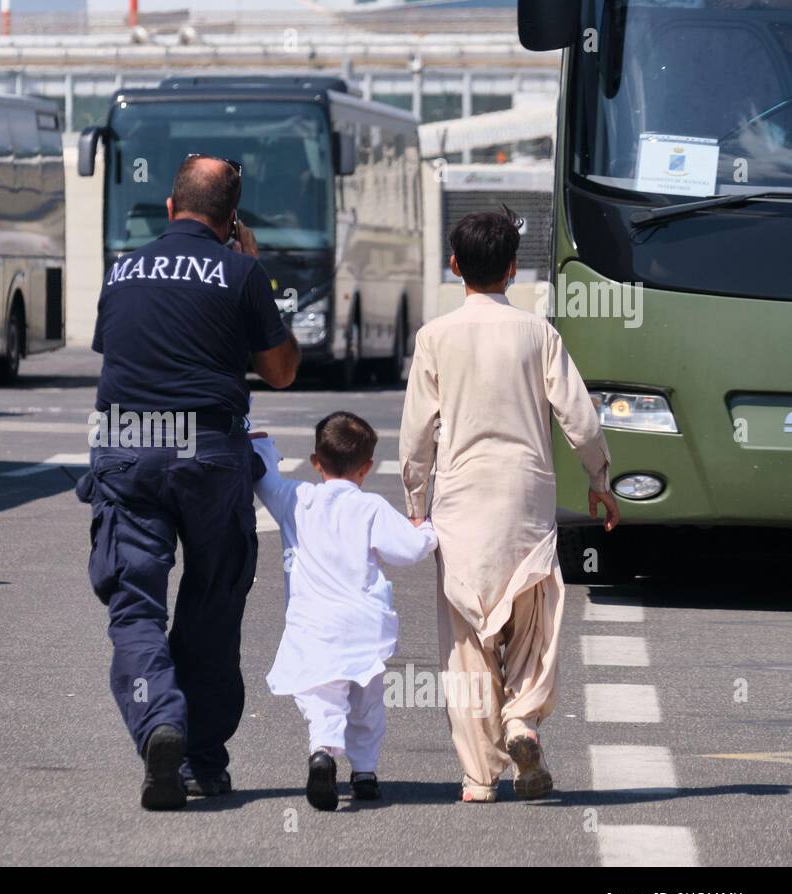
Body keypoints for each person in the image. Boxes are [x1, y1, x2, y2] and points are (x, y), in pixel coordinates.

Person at [78, 155, 300, 810]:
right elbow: (281, 371)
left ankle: (161, 725)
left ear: (171, 209)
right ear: (232, 222)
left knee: (134, 601)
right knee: (212, 598)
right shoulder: (240, 270)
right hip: (207, 452)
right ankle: (201, 755)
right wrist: (255, 270)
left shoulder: (122, 271)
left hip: (128, 450)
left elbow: (117, 350)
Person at [399, 208, 620, 803]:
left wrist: (416, 500)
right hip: (524, 495)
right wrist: (599, 478)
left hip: (461, 501)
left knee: (468, 637)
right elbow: (579, 417)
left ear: (454, 268)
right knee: (533, 621)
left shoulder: (434, 338)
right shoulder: (538, 334)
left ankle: (478, 776)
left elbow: (418, 432)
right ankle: (523, 719)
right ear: (513, 269)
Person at [252, 413, 437, 811]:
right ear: (367, 468)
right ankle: (365, 771)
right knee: (367, 700)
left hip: (314, 625)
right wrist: (427, 530)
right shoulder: (370, 507)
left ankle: (322, 751)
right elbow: (408, 550)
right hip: (364, 625)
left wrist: (259, 442)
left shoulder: (296, 499)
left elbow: (264, 479)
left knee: (323, 695)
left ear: (316, 462)